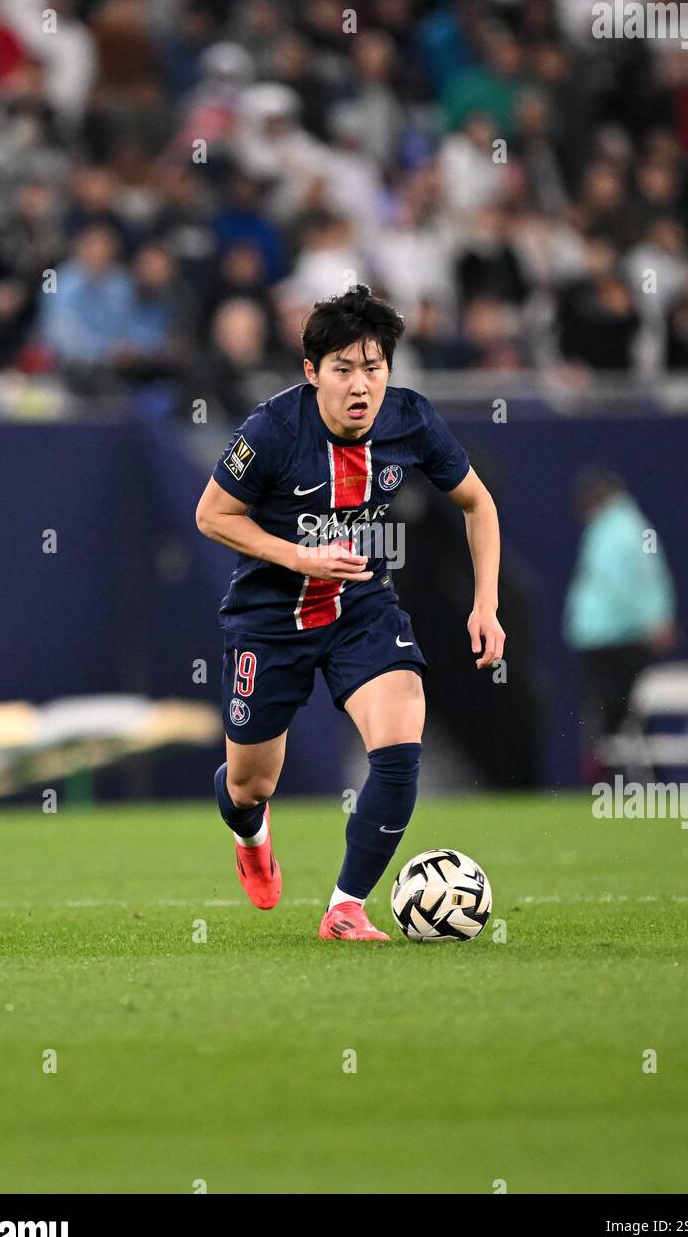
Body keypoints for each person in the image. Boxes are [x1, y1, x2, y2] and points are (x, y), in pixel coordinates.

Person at [195, 284, 505, 940]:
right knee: (250, 785)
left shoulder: (411, 420)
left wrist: (486, 604)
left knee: (397, 750)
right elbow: (211, 516)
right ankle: (250, 833)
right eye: (343, 369)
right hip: (269, 617)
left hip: (361, 606)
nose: (360, 385)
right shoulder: (273, 429)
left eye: (373, 367)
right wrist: (297, 558)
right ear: (312, 373)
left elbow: (477, 504)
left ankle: (345, 907)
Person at [564, 468, 676, 780]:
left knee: (611, 712)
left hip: (613, 639)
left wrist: (651, 622)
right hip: (620, 636)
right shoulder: (631, 527)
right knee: (627, 712)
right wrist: (657, 620)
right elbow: (653, 580)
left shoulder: (614, 531)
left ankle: (608, 780)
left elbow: (621, 585)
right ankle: (635, 778)